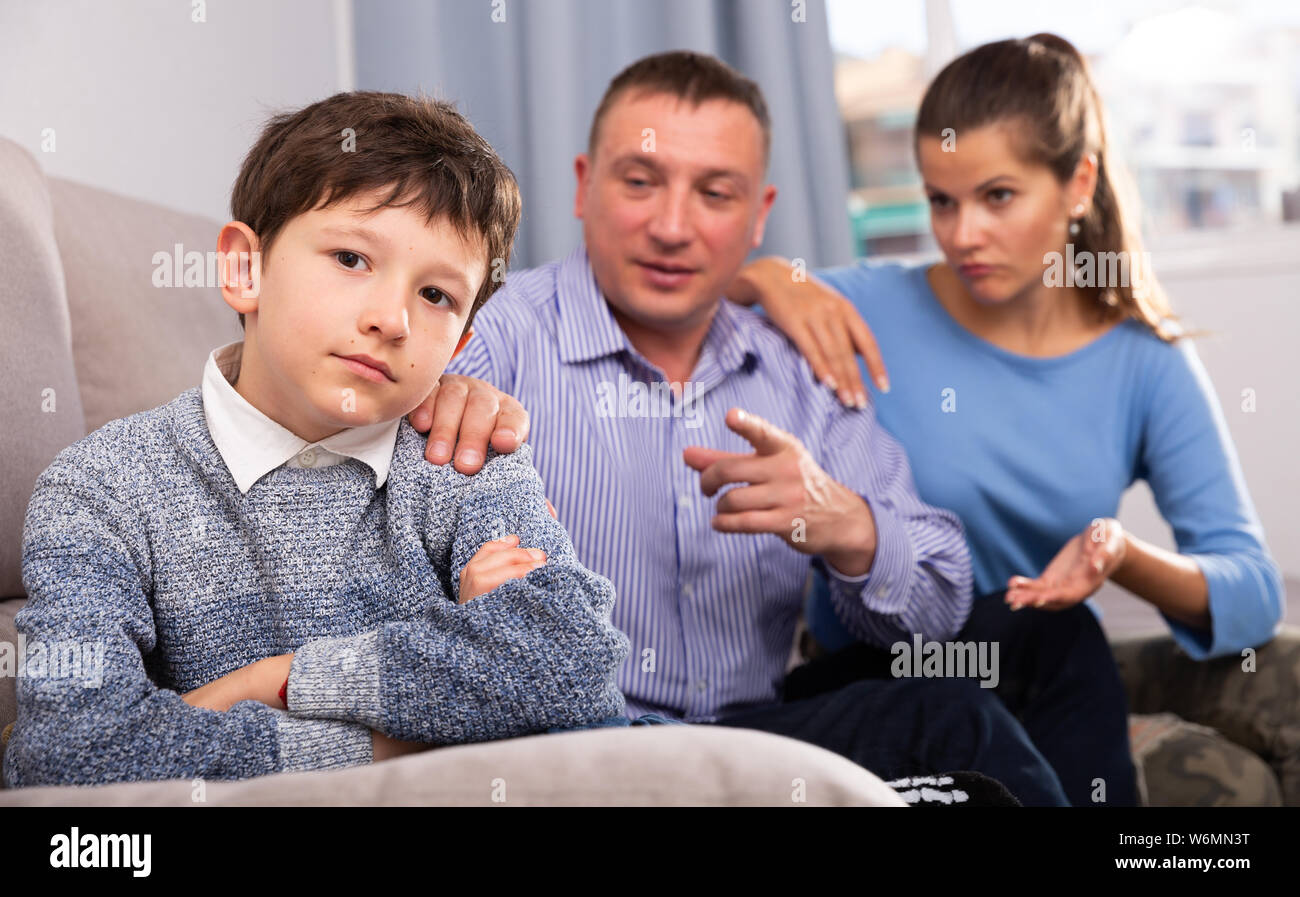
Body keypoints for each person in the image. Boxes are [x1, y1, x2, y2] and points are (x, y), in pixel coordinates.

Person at [432, 50, 1070, 806]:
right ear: (583, 185)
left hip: (755, 743)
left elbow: (940, 596)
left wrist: (849, 526)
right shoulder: (492, 336)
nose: (672, 227)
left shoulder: (798, 372)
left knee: (958, 718)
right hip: (571, 751)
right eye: (640, 182)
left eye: (715, 193)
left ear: (760, 213)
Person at [2, 90, 632, 788]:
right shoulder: (103, 486)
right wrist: (416, 734)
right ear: (246, 268)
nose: (392, 319)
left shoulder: (466, 457)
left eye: (436, 296)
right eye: (352, 259)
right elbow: (71, 753)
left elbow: (579, 669)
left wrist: (270, 679)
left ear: (459, 344)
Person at [727, 34, 1286, 806]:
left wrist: (1119, 553)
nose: (962, 235)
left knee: (1272, 670)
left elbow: (1253, 588)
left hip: (1041, 660)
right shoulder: (858, 304)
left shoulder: (1141, 360)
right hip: (884, 662)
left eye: (997, 197)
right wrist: (763, 277)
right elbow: (675, 283)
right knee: (1062, 638)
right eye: (941, 201)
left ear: (1077, 181)